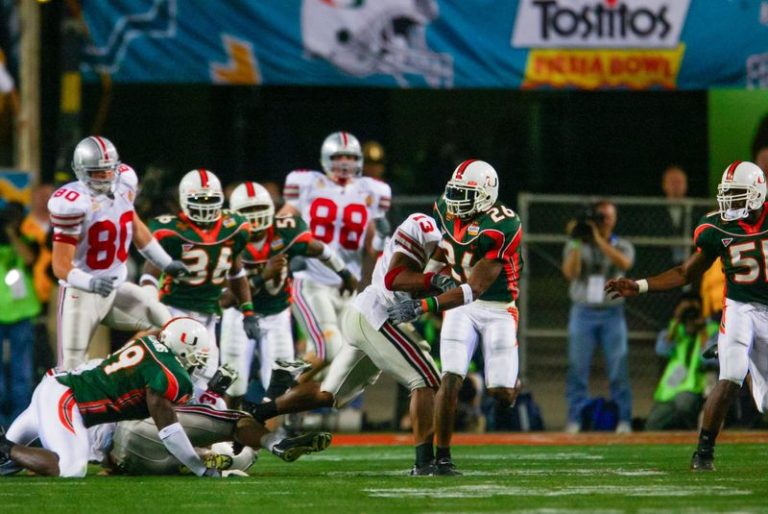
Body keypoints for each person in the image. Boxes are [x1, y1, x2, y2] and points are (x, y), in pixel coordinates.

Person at [247, 212, 452, 475]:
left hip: (374, 318)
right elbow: (394, 278)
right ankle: (424, 463)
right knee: (425, 380)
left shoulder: (462, 254)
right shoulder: (422, 228)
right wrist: (435, 281)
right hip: (376, 313)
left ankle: (259, 411)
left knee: (328, 394)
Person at [606, 160, 768, 471]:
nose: (729, 203)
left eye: (738, 195)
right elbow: (685, 272)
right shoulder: (717, 227)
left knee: (765, 402)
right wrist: (639, 285)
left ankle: (736, 348)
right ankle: (703, 452)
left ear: (758, 194)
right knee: (731, 374)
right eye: (728, 195)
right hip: (739, 308)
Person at [387, 160, 523, 475]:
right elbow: (443, 249)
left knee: (500, 394)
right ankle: (443, 458)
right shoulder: (446, 210)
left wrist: (423, 306)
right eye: (456, 191)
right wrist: (428, 279)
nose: (456, 199)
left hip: (498, 307)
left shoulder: (504, 225)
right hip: (462, 306)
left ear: (487, 194)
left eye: (466, 193)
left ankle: (512, 384)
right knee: (449, 379)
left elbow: (473, 288)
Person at [0, 318, 221, 477]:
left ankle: (6, 448)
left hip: (57, 386)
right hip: (67, 399)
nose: (196, 364)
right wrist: (200, 468)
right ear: (182, 349)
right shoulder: (167, 373)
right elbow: (170, 432)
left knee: (5, 467)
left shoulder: (148, 344)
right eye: (195, 356)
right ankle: (5, 446)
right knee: (71, 468)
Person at [49, 136, 189, 370]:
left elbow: (134, 226)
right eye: (96, 172)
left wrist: (166, 263)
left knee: (169, 324)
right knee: (70, 368)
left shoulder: (125, 182)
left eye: (108, 170)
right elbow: (60, 266)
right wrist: (91, 283)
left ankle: (158, 383)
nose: (104, 177)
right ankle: (61, 404)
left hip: (116, 287)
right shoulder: (72, 203)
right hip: (81, 292)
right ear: (80, 171)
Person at [219, 181, 355, 407]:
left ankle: (258, 433)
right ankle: (224, 434)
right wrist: (264, 275)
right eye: (247, 210)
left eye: (258, 208)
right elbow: (226, 300)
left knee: (279, 383)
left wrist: (344, 272)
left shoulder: (285, 231)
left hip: (277, 313)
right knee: (235, 382)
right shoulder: (228, 240)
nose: (254, 216)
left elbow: (321, 249)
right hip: (239, 315)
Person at [278, 131, 391, 375]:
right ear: (326, 157)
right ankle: (282, 383)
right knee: (328, 349)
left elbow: (373, 249)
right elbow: (282, 225)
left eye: (350, 157)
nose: (344, 163)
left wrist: (383, 236)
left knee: (340, 359)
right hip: (313, 279)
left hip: (347, 285)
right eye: (339, 156)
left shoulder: (371, 191)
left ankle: (292, 401)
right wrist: (290, 251)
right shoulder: (307, 183)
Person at [141, 169, 260, 392]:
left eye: (211, 199)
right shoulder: (171, 230)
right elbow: (149, 274)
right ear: (185, 199)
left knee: (204, 380)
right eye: (198, 200)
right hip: (174, 310)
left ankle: (189, 424)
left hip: (208, 314)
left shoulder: (234, 229)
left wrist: (249, 312)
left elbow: (237, 274)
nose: (205, 205)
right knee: (173, 376)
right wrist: (149, 305)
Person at [561, 200, 635, 434]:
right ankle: (575, 417)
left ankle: (624, 419)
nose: (604, 221)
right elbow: (570, 273)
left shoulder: (621, 244)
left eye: (607, 217)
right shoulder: (578, 243)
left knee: (618, 367)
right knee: (577, 367)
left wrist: (599, 240)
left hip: (612, 312)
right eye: (600, 216)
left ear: (614, 219)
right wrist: (577, 240)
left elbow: (624, 263)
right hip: (583, 312)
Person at [646, 293, 718, 430]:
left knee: (683, 403)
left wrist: (702, 329)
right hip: (671, 387)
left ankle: (692, 430)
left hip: (696, 387)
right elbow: (662, 350)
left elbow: (708, 360)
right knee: (652, 424)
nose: (691, 316)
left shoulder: (711, 329)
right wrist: (678, 320)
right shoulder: (676, 328)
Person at [0, 201, 40, 424]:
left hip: (22, 314)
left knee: (22, 371)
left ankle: (20, 420)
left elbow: (28, 258)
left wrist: (11, 234)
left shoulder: (26, 241)